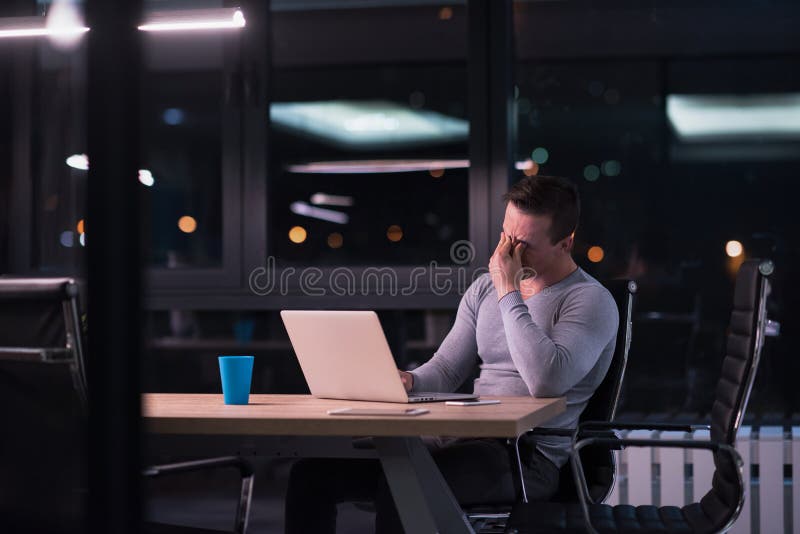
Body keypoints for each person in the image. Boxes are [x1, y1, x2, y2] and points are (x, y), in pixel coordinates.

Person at [284, 175, 619, 534]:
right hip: (459, 438)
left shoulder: (589, 300)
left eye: (523, 244)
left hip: (524, 456)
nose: (507, 253)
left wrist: (509, 290)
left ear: (566, 243)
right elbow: (445, 368)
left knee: (404, 490)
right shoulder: (483, 290)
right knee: (313, 474)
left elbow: (546, 380)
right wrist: (408, 379)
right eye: (505, 236)